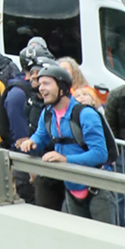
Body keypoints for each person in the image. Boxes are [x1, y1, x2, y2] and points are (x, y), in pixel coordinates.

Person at [16, 62, 113, 220]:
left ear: (62, 87)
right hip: (71, 189)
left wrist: (65, 159)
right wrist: (31, 143)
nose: (41, 88)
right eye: (40, 84)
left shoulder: (86, 114)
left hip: (97, 189)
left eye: (46, 83)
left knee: (106, 240)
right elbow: (40, 136)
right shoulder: (48, 113)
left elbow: (100, 154)